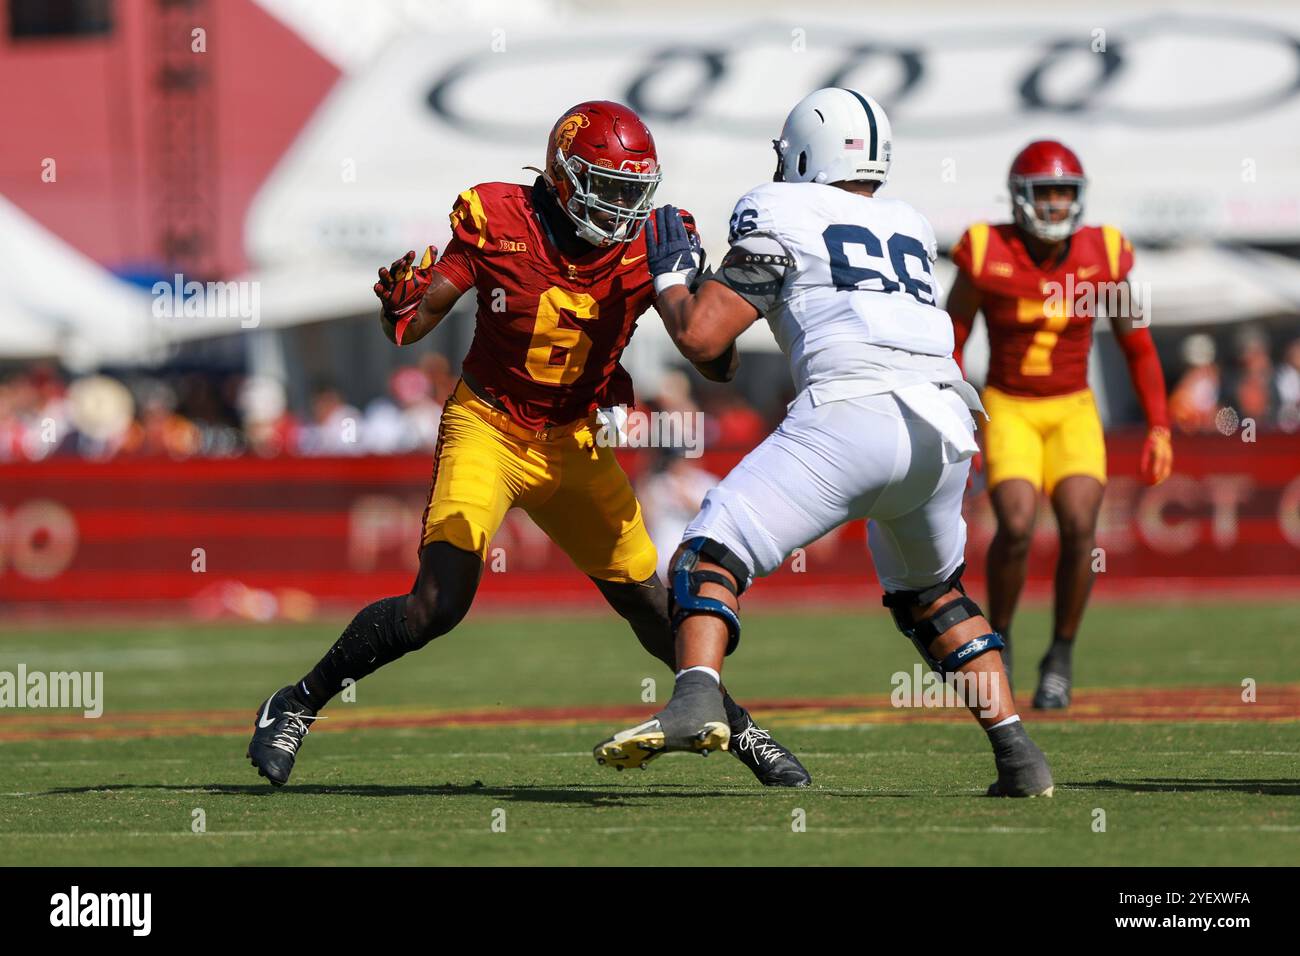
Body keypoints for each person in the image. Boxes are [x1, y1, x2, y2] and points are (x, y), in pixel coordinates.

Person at [246, 100, 809, 789]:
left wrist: (685, 284)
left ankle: (742, 730)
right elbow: (417, 323)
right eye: (609, 189)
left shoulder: (651, 241)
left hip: (574, 438)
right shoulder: (496, 218)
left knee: (651, 603)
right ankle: (296, 703)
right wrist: (398, 304)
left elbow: (712, 360)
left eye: (635, 192)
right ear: (566, 179)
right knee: (436, 606)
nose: (624, 209)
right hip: (489, 425)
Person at [593, 88, 1053, 797]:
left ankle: (693, 701)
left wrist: (673, 279)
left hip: (851, 414)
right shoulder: (905, 223)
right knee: (936, 597)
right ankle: (1021, 758)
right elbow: (725, 354)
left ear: (804, 153)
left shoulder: (781, 210)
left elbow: (702, 335)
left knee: (707, 554)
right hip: (944, 428)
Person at [947, 140, 1172, 709]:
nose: (1053, 204)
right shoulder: (985, 248)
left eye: (1063, 193)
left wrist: (1159, 426)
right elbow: (951, 338)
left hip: (1072, 407)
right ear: (1020, 197)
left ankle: (1062, 654)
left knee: (1078, 527)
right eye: (1043, 192)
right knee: (1017, 526)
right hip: (1010, 405)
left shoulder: (1106, 252)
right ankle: (997, 642)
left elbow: (1138, 345)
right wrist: (958, 413)